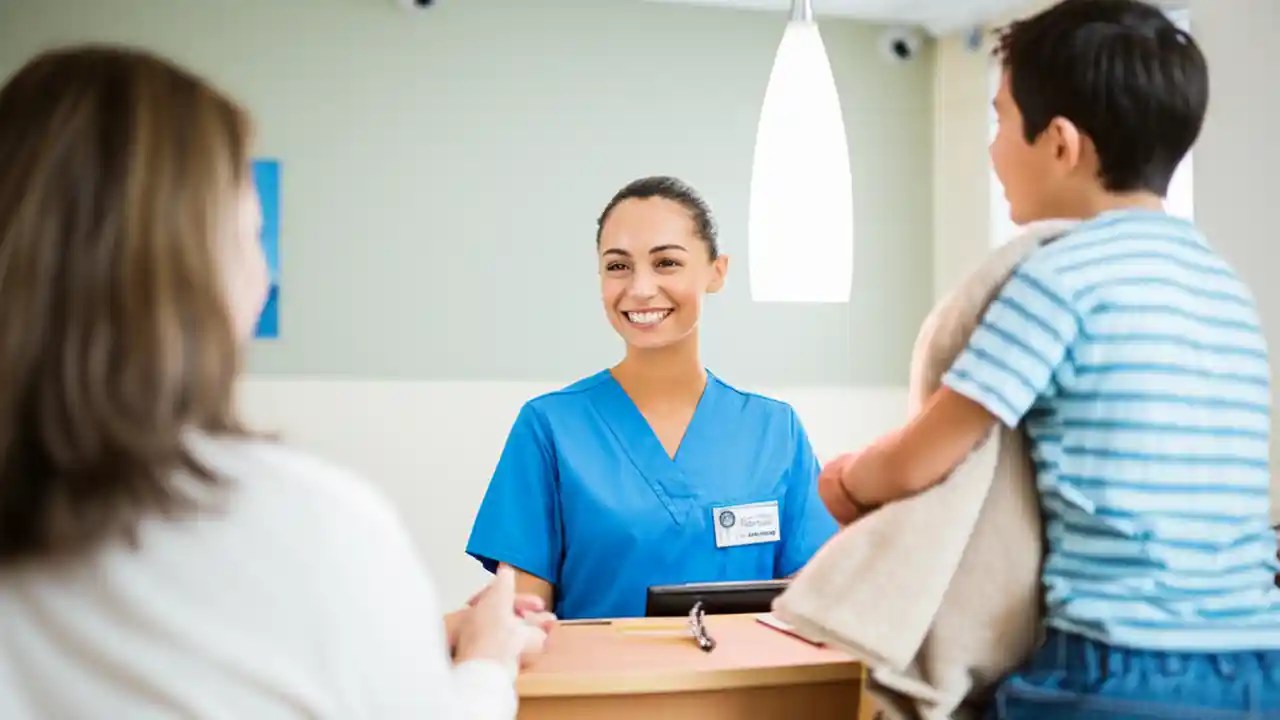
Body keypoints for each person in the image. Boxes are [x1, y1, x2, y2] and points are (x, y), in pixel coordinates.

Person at [0, 46, 550, 720]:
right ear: (193, 276)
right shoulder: (311, 526)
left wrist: (411, 636)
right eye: (252, 237)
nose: (263, 279)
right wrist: (488, 659)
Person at [817, 1, 1280, 717]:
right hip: (1256, 663)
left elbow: (925, 455)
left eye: (1000, 119)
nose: (993, 146)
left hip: (1113, 664)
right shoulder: (1223, 286)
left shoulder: (1056, 278)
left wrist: (846, 480)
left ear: (1060, 144)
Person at [465, 176, 838, 620]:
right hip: (599, 688)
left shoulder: (776, 431)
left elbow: (818, 603)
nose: (640, 288)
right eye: (618, 266)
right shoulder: (549, 428)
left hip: (748, 687)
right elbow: (524, 620)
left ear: (716, 272)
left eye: (666, 263)